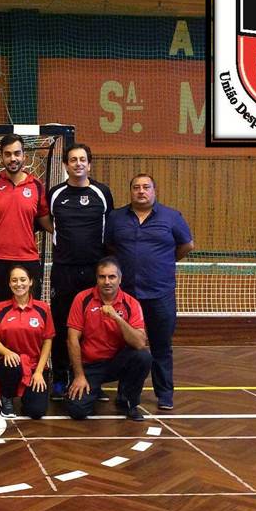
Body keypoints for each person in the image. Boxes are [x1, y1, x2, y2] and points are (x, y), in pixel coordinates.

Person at [105, 174, 194, 411]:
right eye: (136, 187)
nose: (141, 191)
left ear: (154, 190)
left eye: (146, 187)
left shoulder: (172, 217)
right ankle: (125, 393)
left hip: (160, 293)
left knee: (161, 345)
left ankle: (164, 394)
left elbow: (187, 245)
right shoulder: (116, 218)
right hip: (127, 296)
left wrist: (164, 262)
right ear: (130, 191)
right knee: (127, 346)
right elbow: (110, 247)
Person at [44, 143, 114, 396]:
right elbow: (45, 220)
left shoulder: (102, 192)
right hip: (64, 270)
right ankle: (61, 375)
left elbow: (110, 226)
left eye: (82, 159)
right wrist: (63, 237)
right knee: (62, 324)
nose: (78, 164)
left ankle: (89, 377)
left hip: (94, 271)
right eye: (73, 160)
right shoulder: (54, 194)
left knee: (93, 325)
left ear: (89, 163)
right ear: (65, 165)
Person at [65, 256, 151, 422]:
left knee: (143, 356)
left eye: (112, 277)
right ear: (96, 278)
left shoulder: (131, 303)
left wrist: (117, 318)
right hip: (89, 365)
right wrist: (79, 375)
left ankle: (128, 400)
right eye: (102, 277)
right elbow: (72, 339)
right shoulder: (82, 299)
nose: (107, 282)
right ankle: (92, 389)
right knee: (77, 411)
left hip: (116, 362)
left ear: (120, 279)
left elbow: (140, 342)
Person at [0, 134, 52, 301]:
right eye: (8, 154)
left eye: (17, 153)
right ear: (1, 157)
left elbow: (46, 222)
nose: (13, 158)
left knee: (29, 314)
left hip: (27, 259)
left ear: (24, 156)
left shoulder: (37, 186)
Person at [0, 265, 53, 420]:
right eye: (14, 280)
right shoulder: (0, 308)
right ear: (9, 284)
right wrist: (7, 352)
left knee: (36, 412)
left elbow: (47, 341)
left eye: (23, 279)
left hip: (34, 366)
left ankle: (28, 396)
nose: (19, 284)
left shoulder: (43, 309)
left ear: (30, 282)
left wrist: (38, 372)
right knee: (13, 362)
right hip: (10, 363)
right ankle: (6, 397)